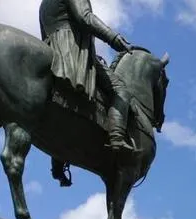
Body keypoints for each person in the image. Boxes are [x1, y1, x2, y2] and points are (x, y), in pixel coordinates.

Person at [38, 0, 138, 157]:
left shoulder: (44, 3)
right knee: (121, 90)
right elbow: (85, 17)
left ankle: (58, 160)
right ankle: (117, 137)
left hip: (52, 48)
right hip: (71, 49)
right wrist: (113, 38)